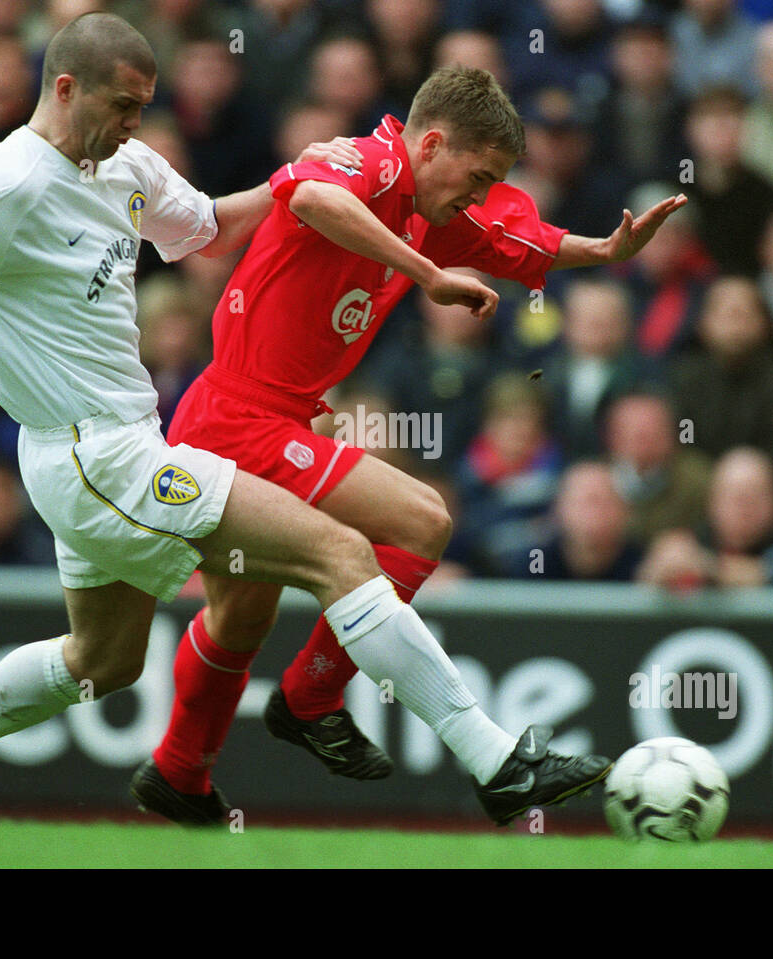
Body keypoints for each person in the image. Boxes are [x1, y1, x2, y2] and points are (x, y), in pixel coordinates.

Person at [0, 13, 611, 828]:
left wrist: (302, 179)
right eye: (123, 106)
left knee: (103, 660)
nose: (135, 123)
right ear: (66, 88)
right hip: (92, 458)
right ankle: (498, 764)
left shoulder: (127, 168)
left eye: (146, 107)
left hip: (126, 446)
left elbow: (210, 228)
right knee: (340, 553)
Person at [139, 64, 684, 823]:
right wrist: (426, 273)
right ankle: (313, 698)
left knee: (239, 617)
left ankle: (177, 774)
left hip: (274, 419)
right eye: (479, 173)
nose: (479, 192)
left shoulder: (429, 207)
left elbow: (514, 240)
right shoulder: (368, 160)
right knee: (421, 520)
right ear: (431, 143)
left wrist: (602, 252)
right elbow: (311, 195)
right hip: (237, 418)